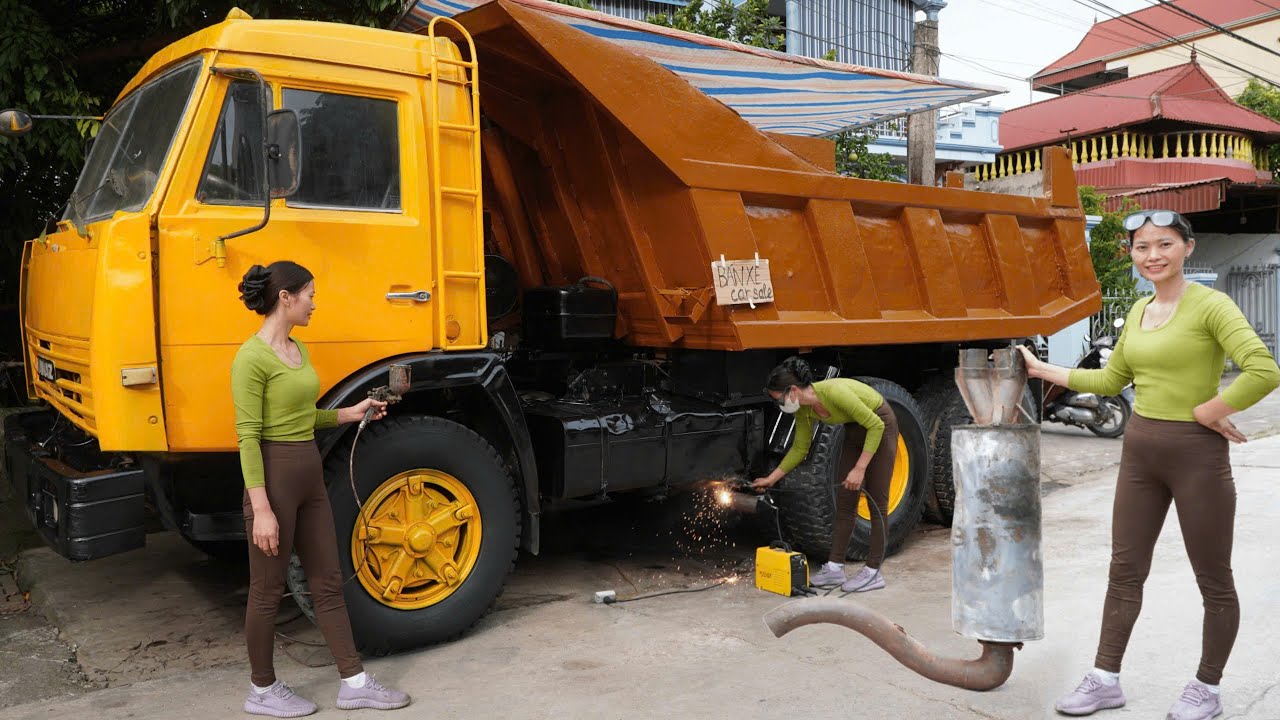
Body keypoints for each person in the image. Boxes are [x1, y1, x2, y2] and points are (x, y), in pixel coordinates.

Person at [1016, 210, 1280, 720]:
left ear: (1188, 247)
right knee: (1125, 570)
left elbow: (1264, 369)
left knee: (1214, 579)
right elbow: (1111, 381)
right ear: (1132, 255)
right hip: (1139, 451)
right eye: (1141, 247)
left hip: (1197, 455)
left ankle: (1207, 686)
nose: (1152, 255)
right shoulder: (1137, 312)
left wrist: (1210, 410)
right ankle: (1105, 677)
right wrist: (1042, 368)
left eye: (1164, 244)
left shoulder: (1212, 306)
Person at [232, 261, 412, 717]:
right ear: (286, 297)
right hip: (273, 480)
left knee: (328, 582)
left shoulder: (297, 350)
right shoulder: (251, 358)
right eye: (310, 293)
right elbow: (248, 436)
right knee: (267, 591)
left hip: (309, 475)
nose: (315, 302)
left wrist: (350, 413)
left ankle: (354, 682)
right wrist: (262, 508)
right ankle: (262, 689)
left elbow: (301, 417)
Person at [751, 357, 899, 593]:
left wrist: (859, 468)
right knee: (845, 499)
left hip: (880, 423)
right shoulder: (804, 410)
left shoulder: (836, 392)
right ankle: (835, 568)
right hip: (855, 429)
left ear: (793, 391)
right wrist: (771, 478)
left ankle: (873, 572)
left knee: (876, 501)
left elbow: (875, 426)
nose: (778, 404)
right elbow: (800, 448)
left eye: (777, 398)